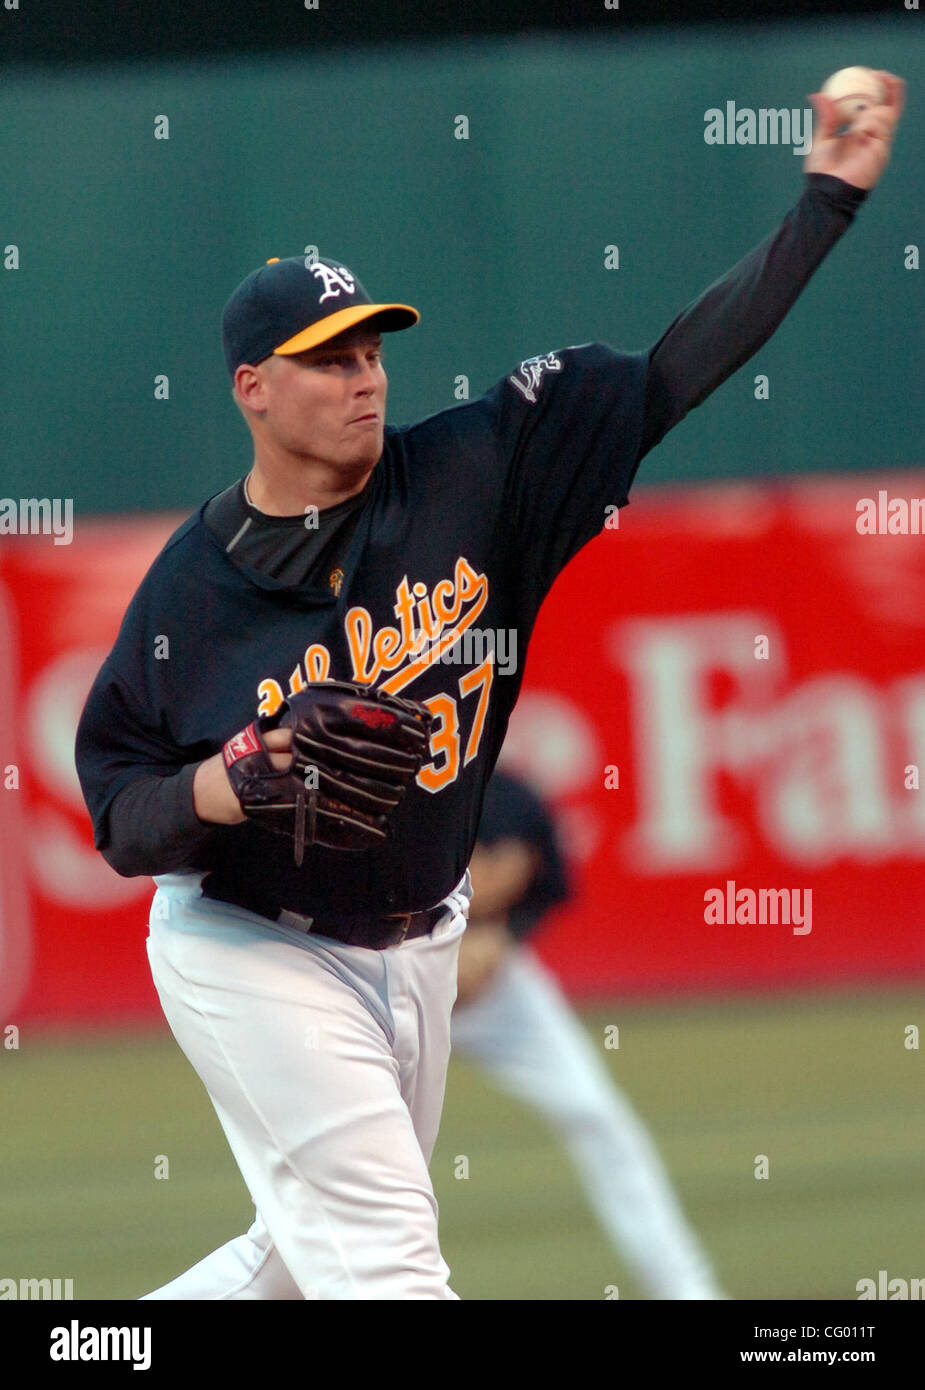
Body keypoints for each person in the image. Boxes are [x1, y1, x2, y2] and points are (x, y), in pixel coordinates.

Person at [74, 77, 903, 1299]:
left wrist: (824, 203)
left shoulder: (480, 471)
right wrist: (234, 775)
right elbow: (120, 816)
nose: (363, 377)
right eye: (323, 360)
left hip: (421, 940)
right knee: (395, 1268)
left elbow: (676, 369)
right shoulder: (189, 598)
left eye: (370, 349)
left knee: (297, 1267)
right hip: (254, 948)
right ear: (251, 387)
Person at [451, 767, 725, 1299]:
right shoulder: (386, 785)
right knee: (353, 1144)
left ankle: (687, 1291)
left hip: (498, 993)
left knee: (597, 1114)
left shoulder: (511, 795)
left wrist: (503, 935)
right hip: (388, 985)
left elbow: (550, 887)